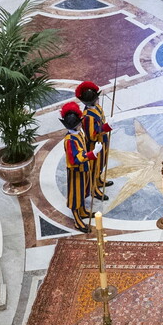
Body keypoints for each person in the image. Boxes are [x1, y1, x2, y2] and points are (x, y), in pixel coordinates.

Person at [61, 101, 97, 231]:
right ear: (76, 125)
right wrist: (92, 154)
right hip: (76, 171)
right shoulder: (69, 140)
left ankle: (82, 211)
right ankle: (77, 220)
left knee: (82, 192)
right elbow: (76, 159)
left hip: (84, 169)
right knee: (75, 195)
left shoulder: (78, 134)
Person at [76, 80, 113, 200]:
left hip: (103, 140)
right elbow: (92, 135)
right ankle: (94, 189)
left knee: (102, 164)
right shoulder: (87, 116)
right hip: (94, 145)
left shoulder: (97, 108)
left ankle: (99, 180)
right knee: (94, 167)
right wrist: (106, 127)